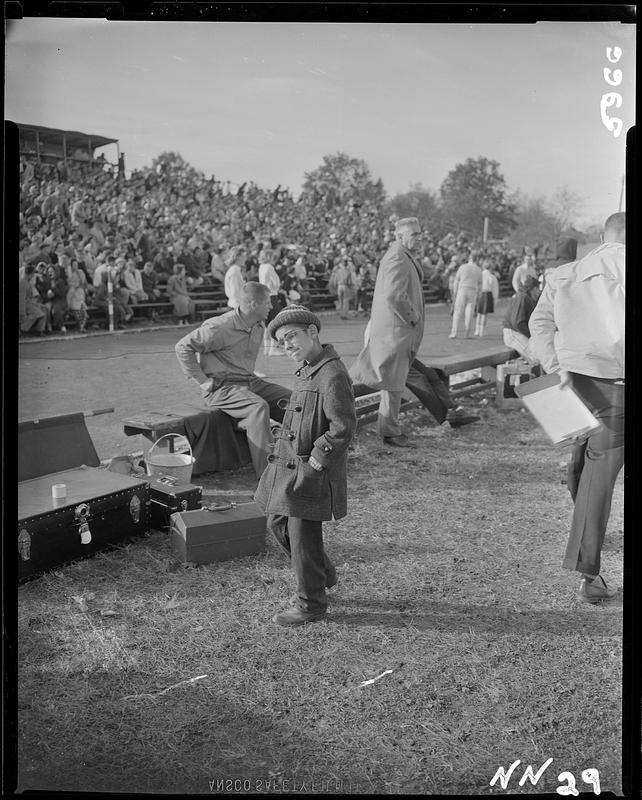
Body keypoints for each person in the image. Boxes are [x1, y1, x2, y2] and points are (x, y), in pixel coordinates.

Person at [529, 212, 625, 603]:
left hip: (578, 381)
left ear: (602, 237)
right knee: (594, 472)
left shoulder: (565, 273)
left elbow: (540, 325)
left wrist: (555, 367)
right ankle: (588, 570)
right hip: (614, 381)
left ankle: (588, 567)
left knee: (588, 469)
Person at [254, 305, 357, 627]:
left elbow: (342, 426)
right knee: (277, 523)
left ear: (312, 332)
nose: (288, 346)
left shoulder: (332, 373)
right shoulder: (310, 369)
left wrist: (317, 460)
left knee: (302, 535)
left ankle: (311, 602)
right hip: (288, 466)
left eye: (292, 337)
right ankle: (323, 574)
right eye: (282, 342)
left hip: (310, 471)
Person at [174, 282, 291, 480]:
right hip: (221, 387)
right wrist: (202, 381)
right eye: (267, 303)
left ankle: (303, 454)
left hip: (249, 381)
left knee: (293, 400)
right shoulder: (219, 326)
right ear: (253, 304)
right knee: (258, 408)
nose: (271, 307)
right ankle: (269, 478)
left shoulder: (258, 326)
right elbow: (182, 347)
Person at [349, 217, 425, 447]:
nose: (419, 239)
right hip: (395, 331)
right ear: (399, 236)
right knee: (389, 381)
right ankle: (388, 431)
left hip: (396, 331)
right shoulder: (397, 257)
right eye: (414, 235)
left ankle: (389, 429)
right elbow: (393, 294)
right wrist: (413, 317)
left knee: (392, 381)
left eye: (420, 234)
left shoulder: (403, 256)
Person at [501, 275, 541, 366]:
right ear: (533, 288)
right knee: (535, 359)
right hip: (513, 332)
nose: (538, 292)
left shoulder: (526, 297)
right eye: (537, 289)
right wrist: (531, 335)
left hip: (517, 332)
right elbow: (518, 323)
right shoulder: (523, 297)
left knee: (540, 354)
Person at [449, 250, 482, 338]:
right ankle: (467, 333)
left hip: (462, 289)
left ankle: (454, 332)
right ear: (477, 259)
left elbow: (457, 280)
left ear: (469, 258)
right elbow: (480, 284)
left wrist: (454, 292)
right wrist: (479, 295)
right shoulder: (479, 270)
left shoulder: (462, 267)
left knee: (458, 312)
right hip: (473, 290)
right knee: (469, 312)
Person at [19, 263, 48, 335]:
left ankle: (39, 330)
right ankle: (22, 327)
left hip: (31, 303)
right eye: (33, 273)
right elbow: (21, 300)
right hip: (25, 304)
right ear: (30, 273)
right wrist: (22, 313)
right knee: (40, 313)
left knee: (44, 309)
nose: (33, 275)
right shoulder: (22, 283)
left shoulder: (28, 282)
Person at [474, 257, 500, 337]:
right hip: (488, 294)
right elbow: (495, 289)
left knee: (479, 313)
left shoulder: (479, 275)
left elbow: (476, 285)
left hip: (480, 293)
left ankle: (476, 330)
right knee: (484, 314)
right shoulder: (492, 277)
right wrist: (495, 299)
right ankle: (481, 331)